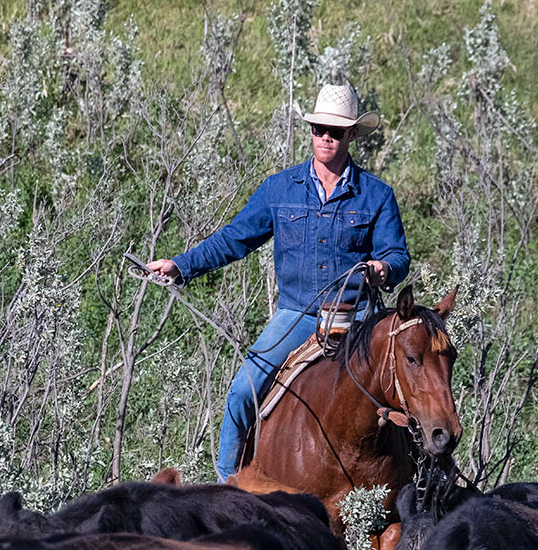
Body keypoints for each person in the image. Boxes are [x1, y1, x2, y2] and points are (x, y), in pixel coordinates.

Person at [145, 83, 411, 481]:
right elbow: (235, 239)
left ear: (352, 135)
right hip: (297, 315)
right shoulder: (279, 189)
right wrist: (180, 266)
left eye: (335, 131)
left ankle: (427, 491)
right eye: (319, 128)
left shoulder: (377, 196)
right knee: (241, 395)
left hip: (358, 319)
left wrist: (382, 269)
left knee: (413, 403)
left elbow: (398, 257)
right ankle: (228, 489)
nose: (325, 136)